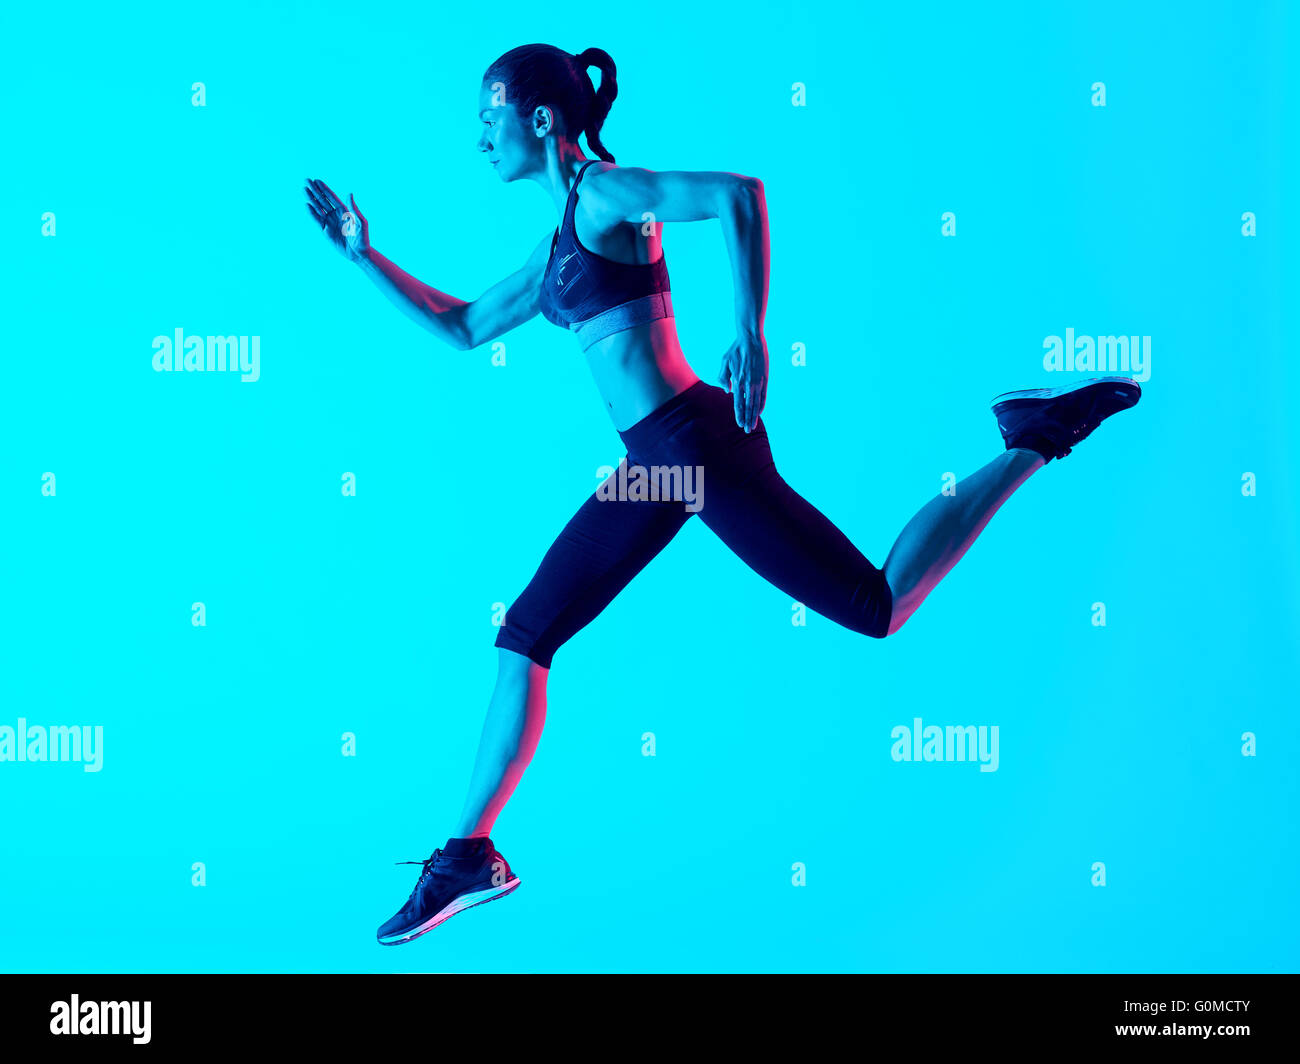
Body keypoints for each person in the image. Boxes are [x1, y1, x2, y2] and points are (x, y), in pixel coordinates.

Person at [304, 43, 1141, 946]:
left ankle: (1033, 440)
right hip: (665, 460)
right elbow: (463, 326)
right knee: (536, 632)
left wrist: (751, 330)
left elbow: (737, 194)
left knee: (872, 606)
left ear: (540, 119)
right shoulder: (556, 250)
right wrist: (363, 255)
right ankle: (467, 857)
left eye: (488, 119)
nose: (480, 140)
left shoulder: (603, 197)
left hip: (693, 445)